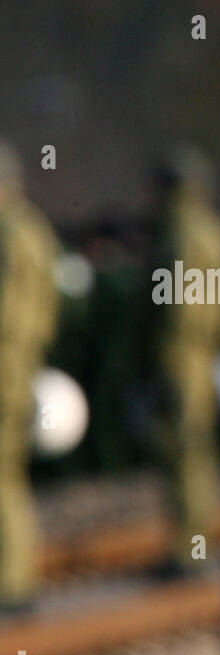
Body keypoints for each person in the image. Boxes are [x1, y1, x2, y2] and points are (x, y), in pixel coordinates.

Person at [154, 145, 220, 568]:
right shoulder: (217, 231)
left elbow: (176, 305)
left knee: (185, 449)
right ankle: (199, 541)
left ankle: (189, 548)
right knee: (200, 448)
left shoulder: (179, 232)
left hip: (183, 351)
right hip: (210, 349)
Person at [0, 140, 60, 610]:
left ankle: (14, 583)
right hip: (21, 362)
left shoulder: (9, 232)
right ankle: (18, 580)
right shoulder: (33, 229)